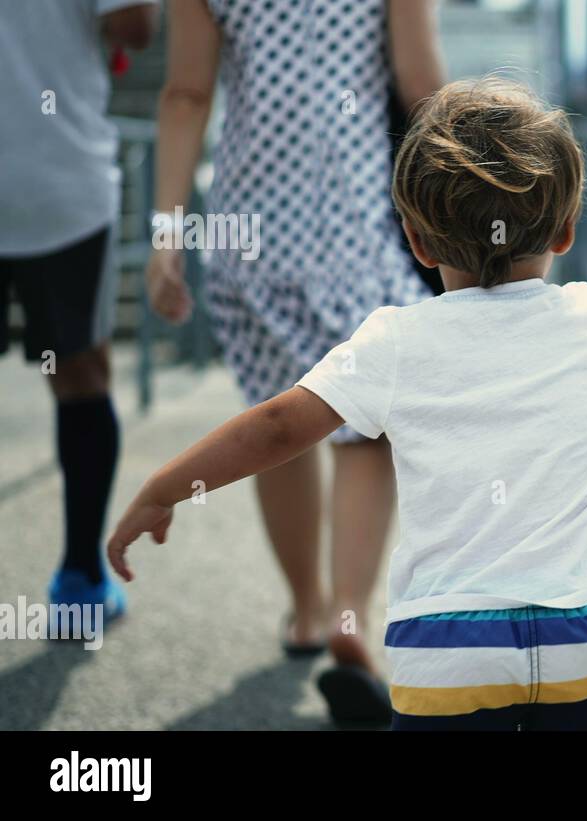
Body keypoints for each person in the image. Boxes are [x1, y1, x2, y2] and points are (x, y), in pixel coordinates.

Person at [107, 77, 587, 730]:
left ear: (416, 243)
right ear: (564, 232)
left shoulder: (395, 340)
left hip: (449, 650)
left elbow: (280, 426)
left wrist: (166, 485)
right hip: (579, 637)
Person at [144, 0, 446, 723]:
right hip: (346, 225)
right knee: (366, 422)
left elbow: (187, 93)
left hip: (246, 236)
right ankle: (348, 617)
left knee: (283, 420)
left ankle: (307, 612)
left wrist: (165, 236)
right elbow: (421, 87)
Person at [0, 0, 159, 633]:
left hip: (51, 174)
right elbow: (136, 26)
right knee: (81, 377)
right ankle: (80, 581)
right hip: (56, 178)